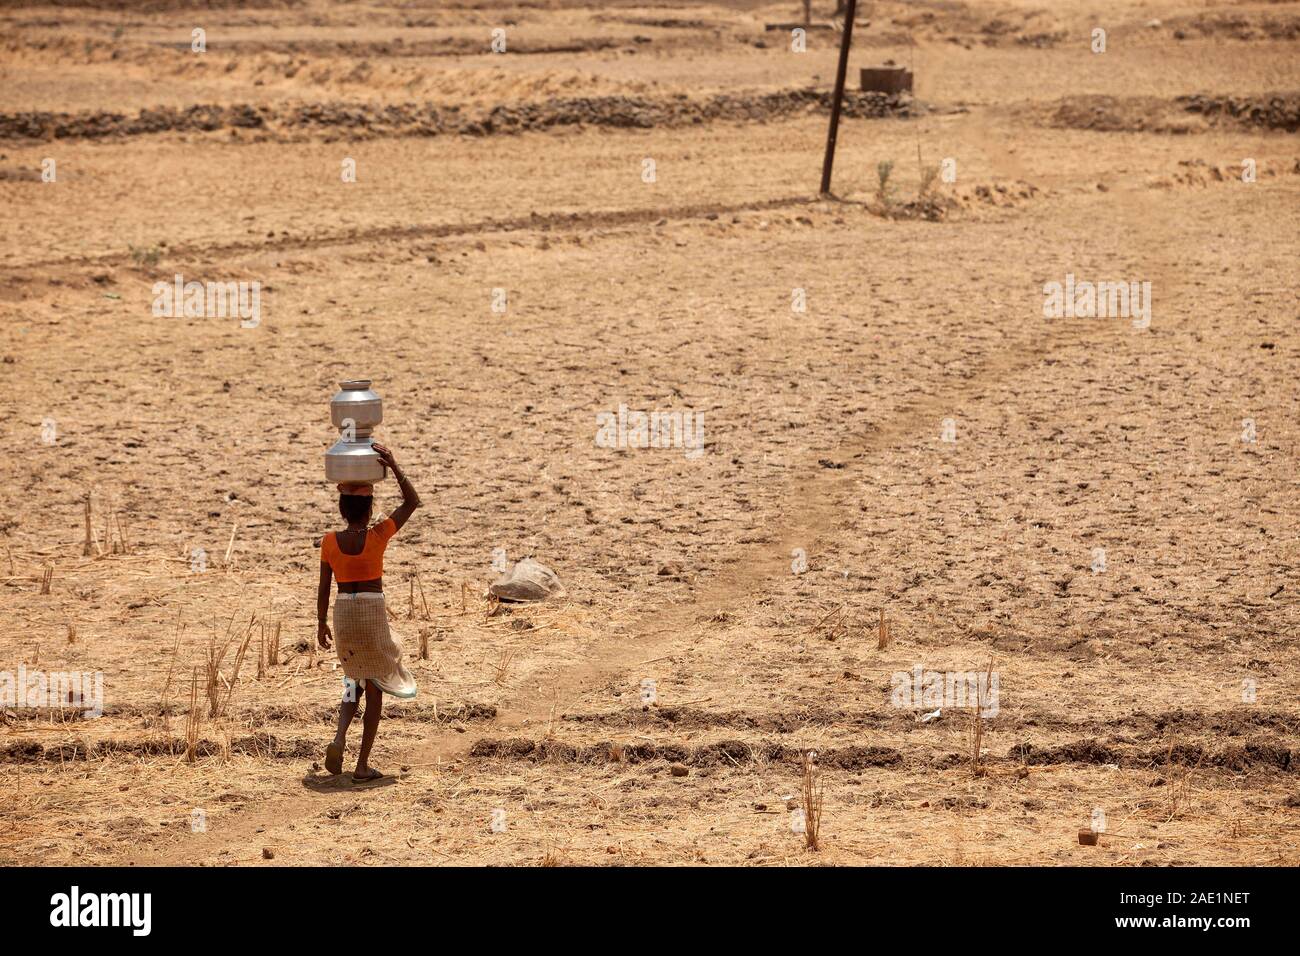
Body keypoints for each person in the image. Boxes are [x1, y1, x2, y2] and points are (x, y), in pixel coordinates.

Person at [316, 443, 420, 781]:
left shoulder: (329, 541)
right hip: (370, 612)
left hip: (343, 614)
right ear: (369, 507)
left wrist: (320, 623)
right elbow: (412, 502)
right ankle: (361, 766)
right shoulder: (378, 535)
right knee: (375, 685)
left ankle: (339, 735)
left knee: (352, 678)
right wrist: (393, 464)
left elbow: (323, 588)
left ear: (342, 508)